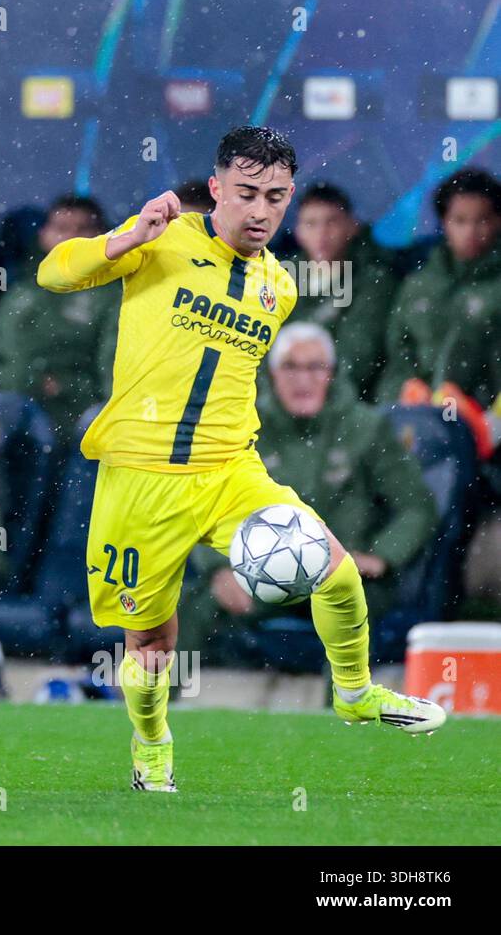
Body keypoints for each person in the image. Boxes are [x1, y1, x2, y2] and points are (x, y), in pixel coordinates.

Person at [36, 125, 445, 792]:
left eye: (276, 197)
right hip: (141, 477)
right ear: (218, 189)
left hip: (231, 469)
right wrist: (127, 237)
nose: (261, 212)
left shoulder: (278, 287)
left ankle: (355, 693)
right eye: (248, 193)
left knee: (336, 571)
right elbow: (53, 272)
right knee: (150, 643)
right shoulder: (161, 238)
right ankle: (151, 745)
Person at [181, 323, 437, 660]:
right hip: (265, 574)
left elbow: (416, 507)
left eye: (315, 367)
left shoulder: (365, 427)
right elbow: (204, 502)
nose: (303, 379)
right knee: (191, 606)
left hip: (340, 572)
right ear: (272, 373)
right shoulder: (245, 425)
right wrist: (217, 567)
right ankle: (157, 705)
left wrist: (381, 555)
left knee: (354, 611)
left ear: (331, 373)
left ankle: (345, 709)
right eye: (290, 366)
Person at [0, 195, 116, 444]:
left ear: (104, 234)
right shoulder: (22, 290)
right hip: (9, 398)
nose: (72, 237)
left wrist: (65, 387)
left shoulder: (114, 295)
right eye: (62, 228)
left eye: (84, 228)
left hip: (71, 413)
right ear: (44, 234)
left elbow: (111, 377)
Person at [380, 167, 501, 459]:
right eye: (460, 220)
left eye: (481, 220)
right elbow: (396, 357)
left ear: (498, 221)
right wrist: (403, 392)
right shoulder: (418, 285)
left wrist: (492, 424)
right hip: (419, 435)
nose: (471, 231)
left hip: (488, 442)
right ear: (444, 223)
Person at [285, 183, 402, 401]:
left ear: (352, 226)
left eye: (331, 222)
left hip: (345, 406)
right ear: (299, 232)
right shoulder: (280, 278)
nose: (322, 233)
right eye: (311, 224)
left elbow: (359, 356)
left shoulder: (374, 281)